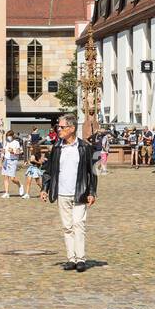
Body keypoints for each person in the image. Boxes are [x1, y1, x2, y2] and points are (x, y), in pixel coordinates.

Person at [41, 114, 97, 272]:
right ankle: (71, 259)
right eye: (58, 127)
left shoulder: (84, 147)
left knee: (79, 224)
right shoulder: (57, 148)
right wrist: (45, 189)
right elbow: (49, 171)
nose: (59, 129)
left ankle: (81, 259)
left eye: (62, 127)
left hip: (80, 192)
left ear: (72, 129)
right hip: (62, 193)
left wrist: (92, 192)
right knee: (67, 227)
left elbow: (91, 172)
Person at [1, 130, 24, 198]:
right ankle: (6, 193)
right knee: (5, 176)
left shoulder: (16, 143)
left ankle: (20, 185)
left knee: (12, 178)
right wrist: (2, 155)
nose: (8, 138)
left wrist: (13, 152)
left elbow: (18, 152)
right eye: (7, 136)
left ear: (12, 136)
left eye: (9, 136)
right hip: (6, 160)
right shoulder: (6, 142)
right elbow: (3, 150)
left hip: (13, 160)